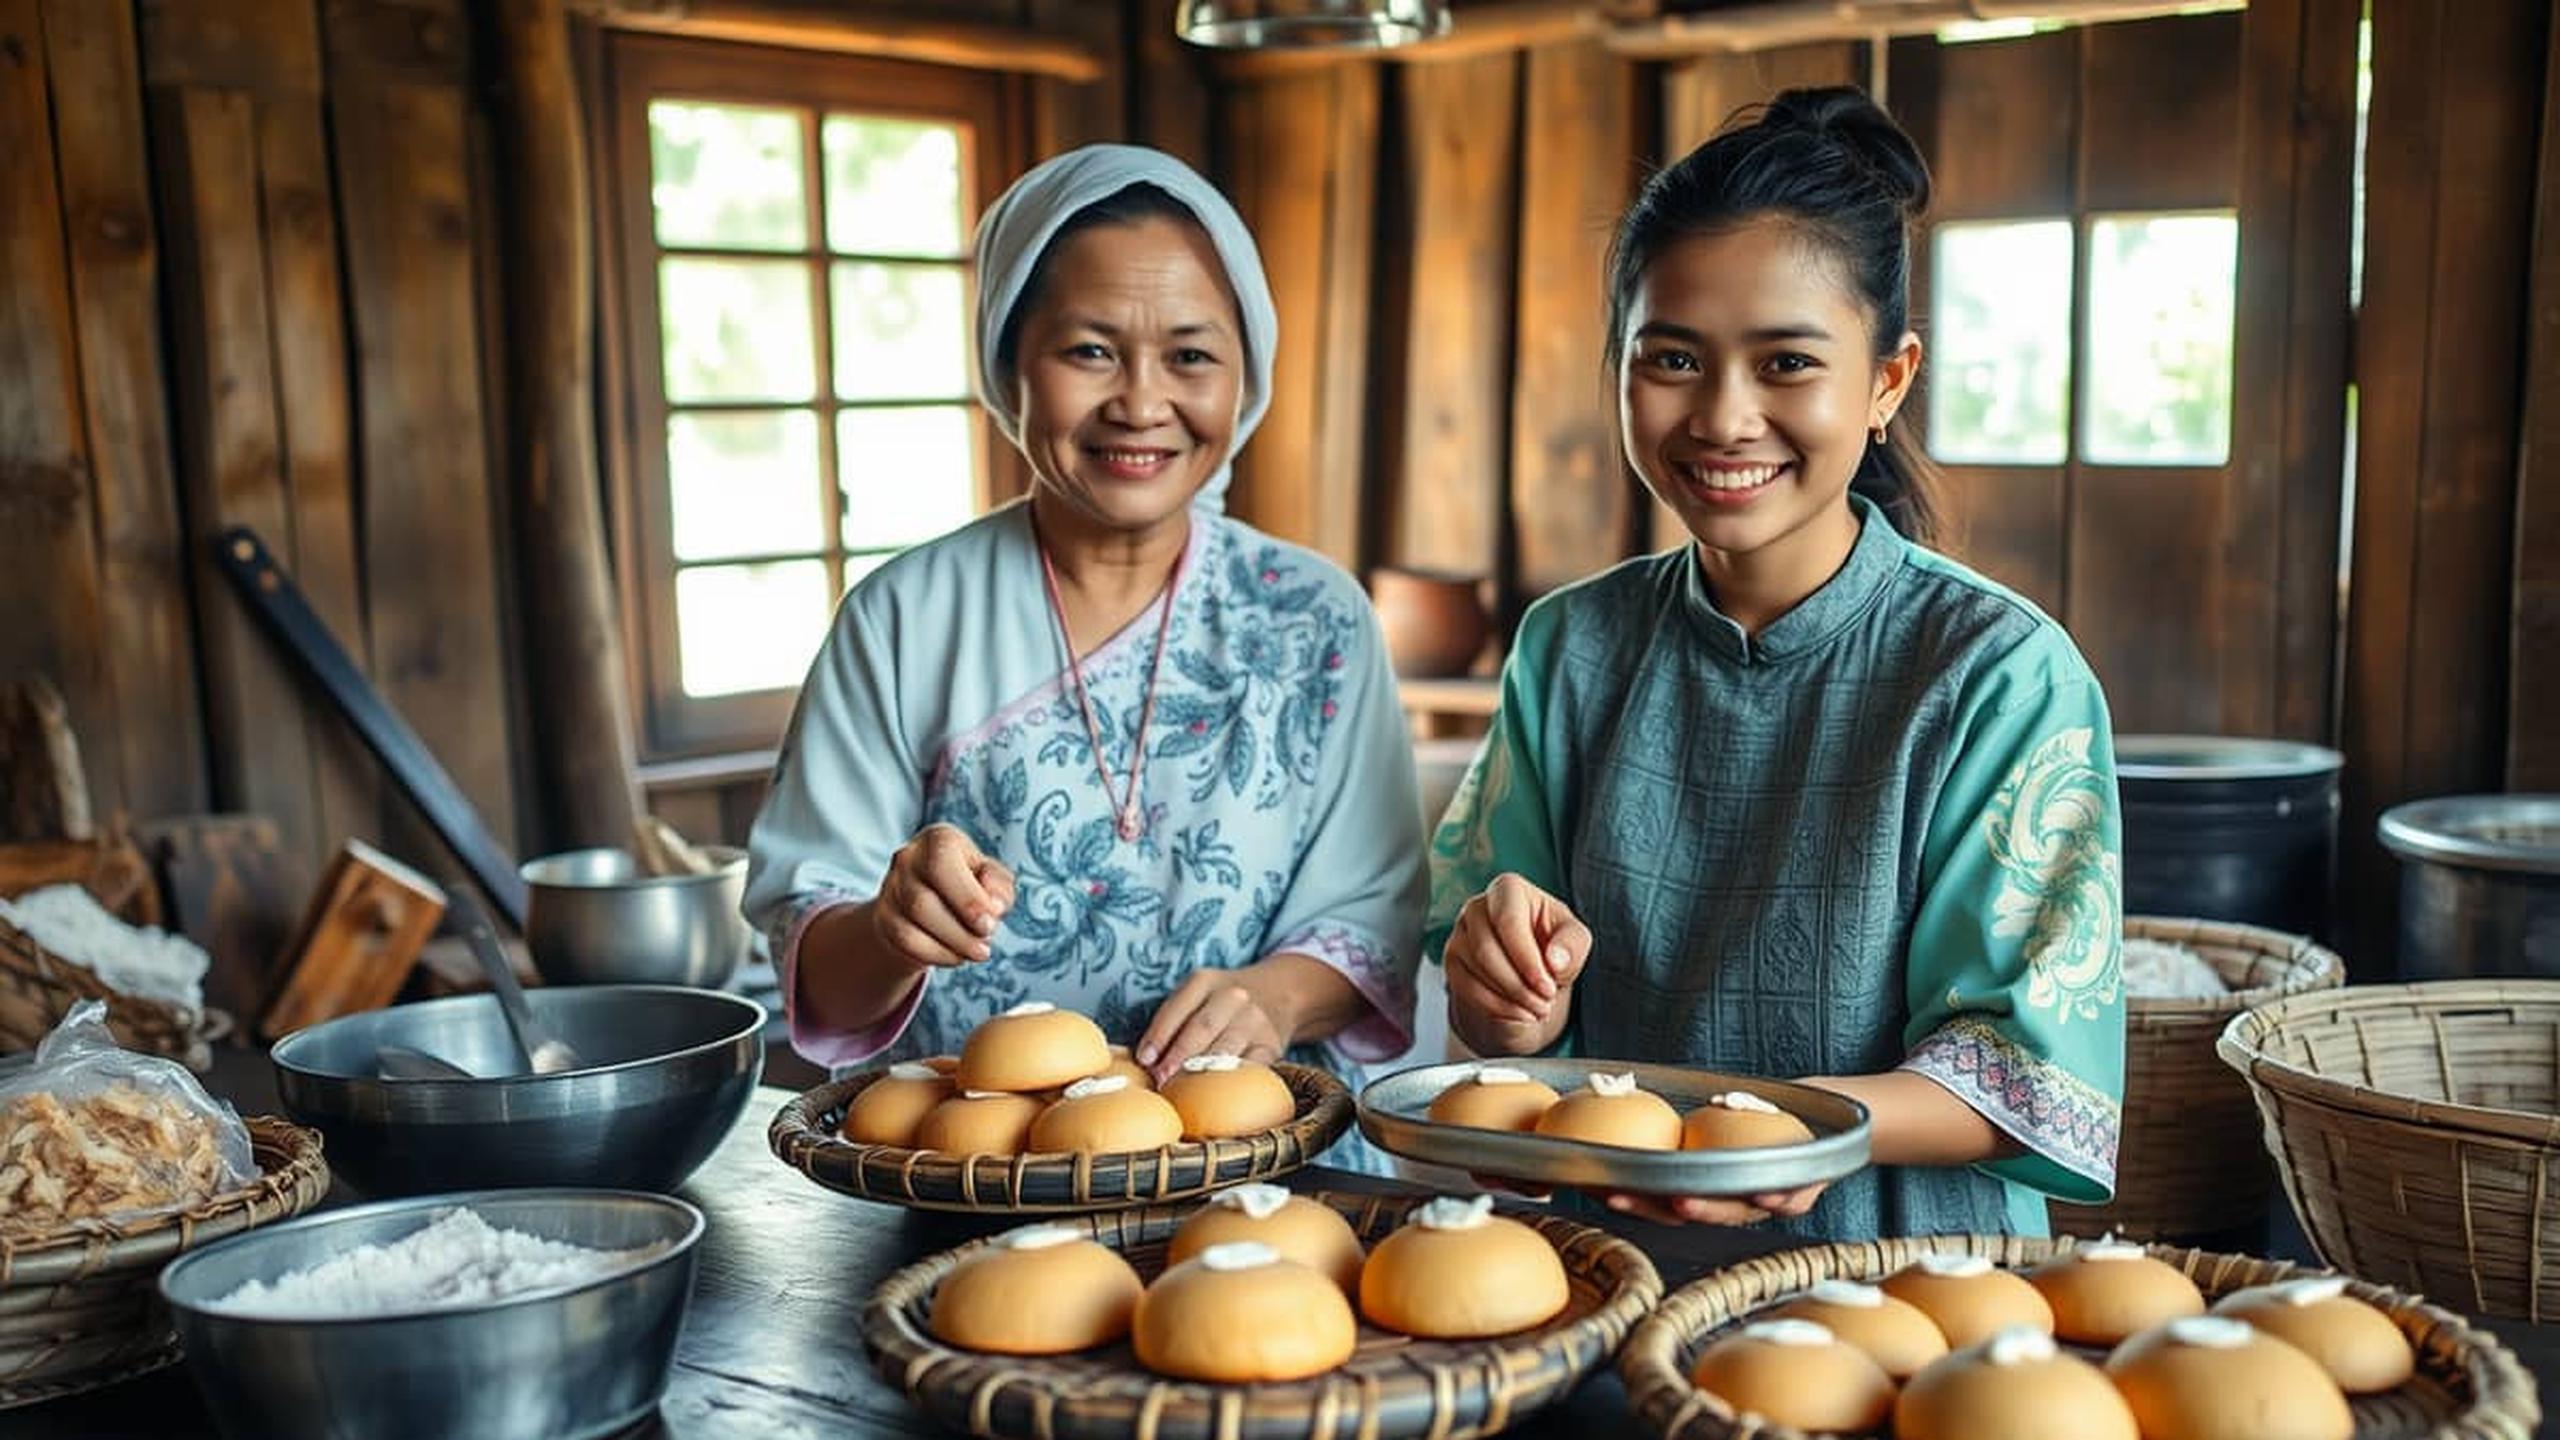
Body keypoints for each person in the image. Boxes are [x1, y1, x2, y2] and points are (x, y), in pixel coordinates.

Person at [1429, 87, 2124, 1235]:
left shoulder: (1998, 674)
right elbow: (1506, 1040)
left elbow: (2023, 1081)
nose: (1723, 417)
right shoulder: (1566, 648)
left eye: (1787, 363)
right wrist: (1503, 999)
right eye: (1672, 359)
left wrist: (1783, 1121)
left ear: (1887, 383)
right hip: (1607, 1270)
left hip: (1906, 1294)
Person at [745, 145, 1425, 1168]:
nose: (1142, 405)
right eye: (1090, 351)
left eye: (1191, 356)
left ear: (1246, 378)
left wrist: (1272, 996)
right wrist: (889, 929)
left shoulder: (1314, 619)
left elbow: (1373, 922)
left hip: (1281, 1188)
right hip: (980, 1195)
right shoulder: (904, 618)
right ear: (1005, 364)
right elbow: (823, 980)